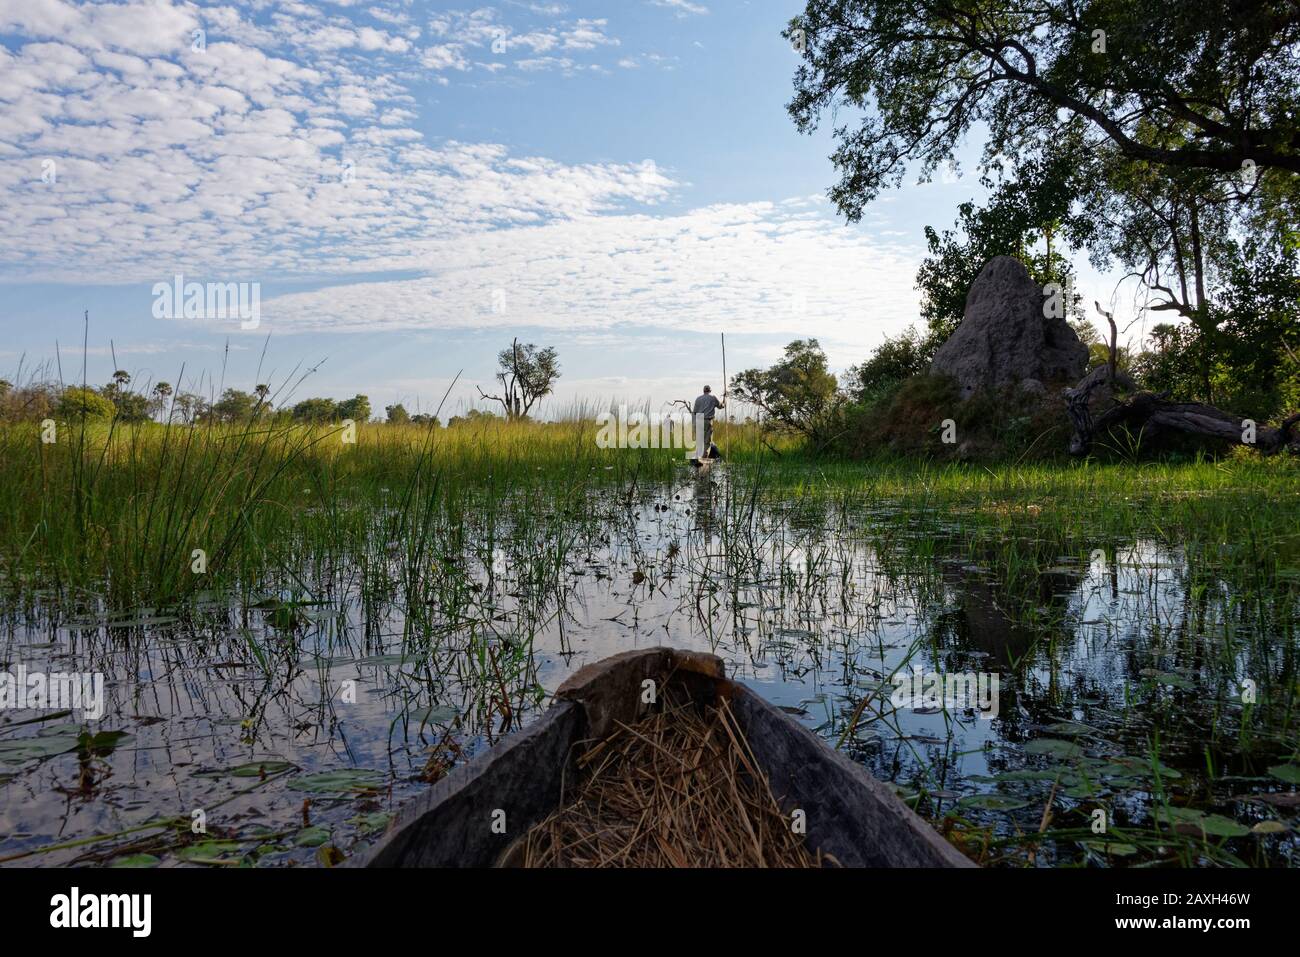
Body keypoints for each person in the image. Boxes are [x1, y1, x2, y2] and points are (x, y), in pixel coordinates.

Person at [691, 385, 724, 460]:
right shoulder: (713, 398)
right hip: (707, 421)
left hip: (698, 420)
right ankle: (703, 457)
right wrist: (724, 402)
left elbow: (694, 412)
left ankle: (698, 456)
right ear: (709, 391)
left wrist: (694, 424)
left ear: (703, 391)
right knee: (707, 441)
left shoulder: (698, 399)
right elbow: (720, 406)